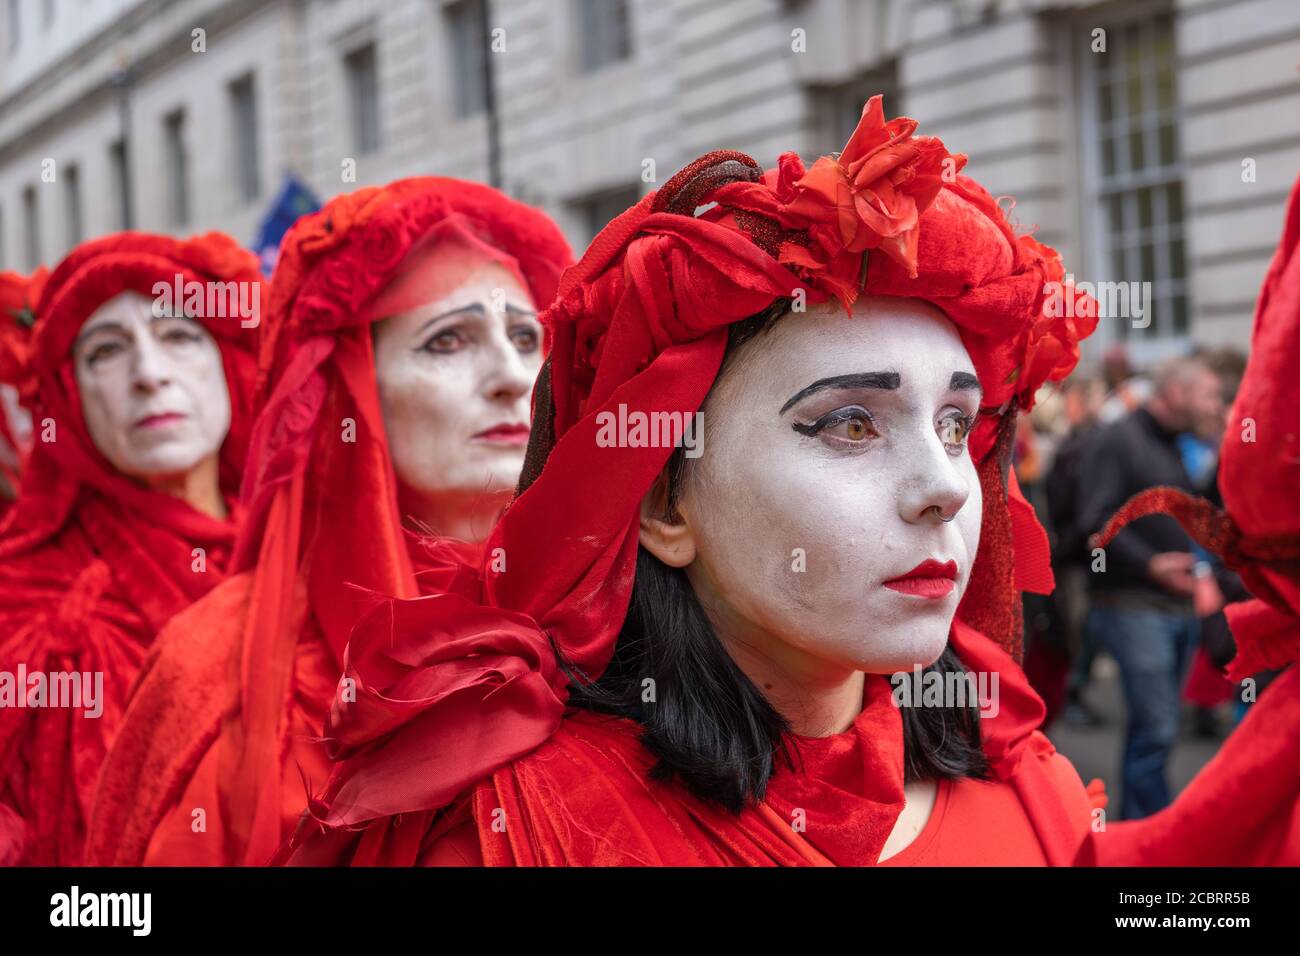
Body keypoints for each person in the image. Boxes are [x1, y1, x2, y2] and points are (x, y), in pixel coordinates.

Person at [279, 97, 1119, 867]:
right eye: (849, 424)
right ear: (661, 502)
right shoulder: (518, 835)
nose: (945, 488)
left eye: (955, 427)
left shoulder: (1028, 789)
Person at [83, 178, 572, 866]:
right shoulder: (215, 663)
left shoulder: (619, 621)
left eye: (526, 336)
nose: (512, 375)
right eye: (447, 341)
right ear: (353, 389)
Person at [0, 233, 261, 865]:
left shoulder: (312, 547)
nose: (149, 374)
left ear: (229, 367)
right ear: (69, 398)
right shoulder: (23, 598)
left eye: (178, 336)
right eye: (107, 352)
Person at [1076, 356, 1224, 819]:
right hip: (1132, 606)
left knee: (1157, 730)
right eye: (1209, 394)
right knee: (1156, 730)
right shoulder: (1118, 440)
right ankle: (1150, 835)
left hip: (1172, 607)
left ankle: (1145, 833)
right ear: (1176, 393)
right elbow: (1092, 523)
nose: (1216, 405)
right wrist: (1151, 565)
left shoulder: (1178, 442)